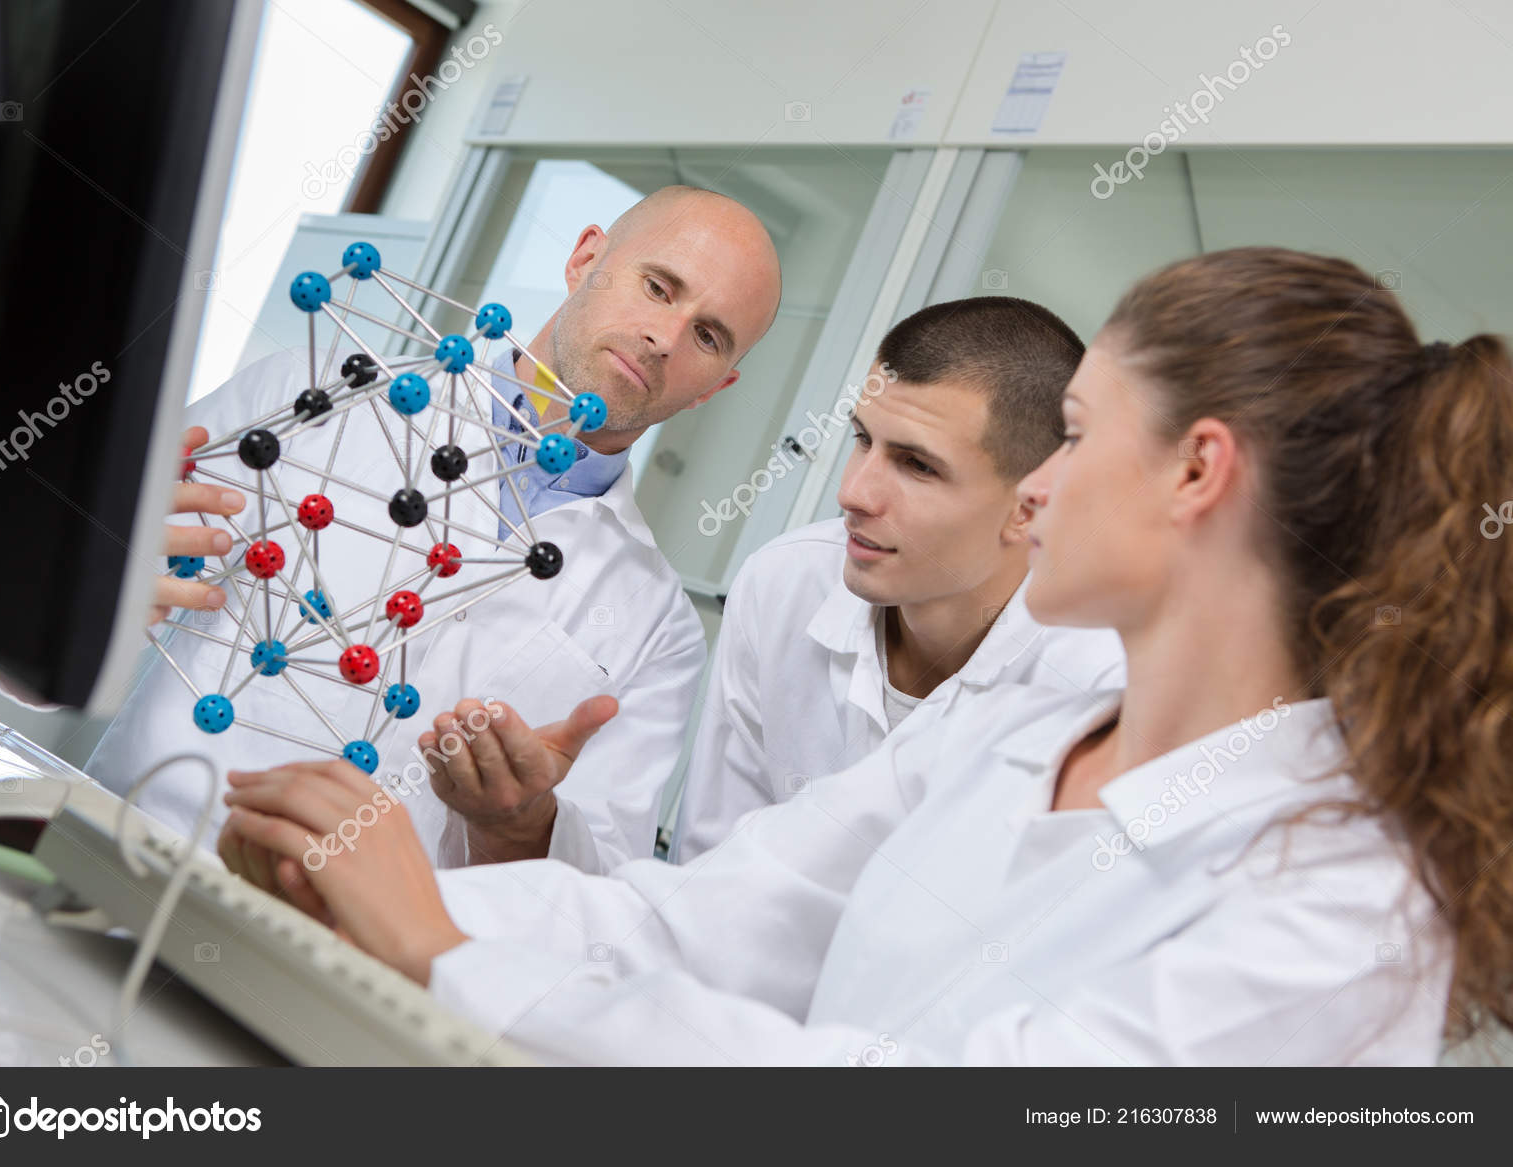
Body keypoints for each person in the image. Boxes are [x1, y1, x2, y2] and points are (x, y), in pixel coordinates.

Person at [216, 246, 1513, 1064]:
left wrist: (442, 947)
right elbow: (698, 916)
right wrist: (345, 891)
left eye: (1069, 434)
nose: (1039, 490)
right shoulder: (1024, 725)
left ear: (1196, 470)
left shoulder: (1349, 896)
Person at [92, 186, 783, 873]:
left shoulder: (659, 626)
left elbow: (590, 890)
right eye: (659, 287)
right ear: (585, 257)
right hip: (123, 856)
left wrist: (517, 825)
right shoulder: (309, 398)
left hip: (339, 966)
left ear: (715, 386)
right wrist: (93, 580)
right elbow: (69, 611)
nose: (664, 338)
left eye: (708, 335)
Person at [673, 297, 1123, 862]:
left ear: (1029, 506)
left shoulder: (1099, 678)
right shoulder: (782, 584)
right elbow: (710, 867)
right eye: (862, 439)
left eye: (917, 466)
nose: (853, 494)